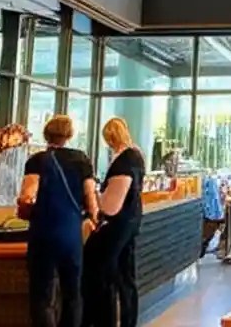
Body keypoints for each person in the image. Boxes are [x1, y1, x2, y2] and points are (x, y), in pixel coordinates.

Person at [19, 116, 98, 327]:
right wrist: (92, 218)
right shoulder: (82, 160)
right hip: (71, 235)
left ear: (47, 134)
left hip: (43, 233)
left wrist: (25, 210)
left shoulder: (37, 161)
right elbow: (92, 201)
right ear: (69, 135)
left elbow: (27, 196)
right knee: (72, 295)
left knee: (41, 296)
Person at [83, 118, 145, 327]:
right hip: (132, 221)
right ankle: (128, 321)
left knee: (99, 269)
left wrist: (93, 196)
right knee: (126, 276)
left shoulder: (123, 161)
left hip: (117, 225)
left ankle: (102, 319)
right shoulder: (136, 155)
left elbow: (112, 204)